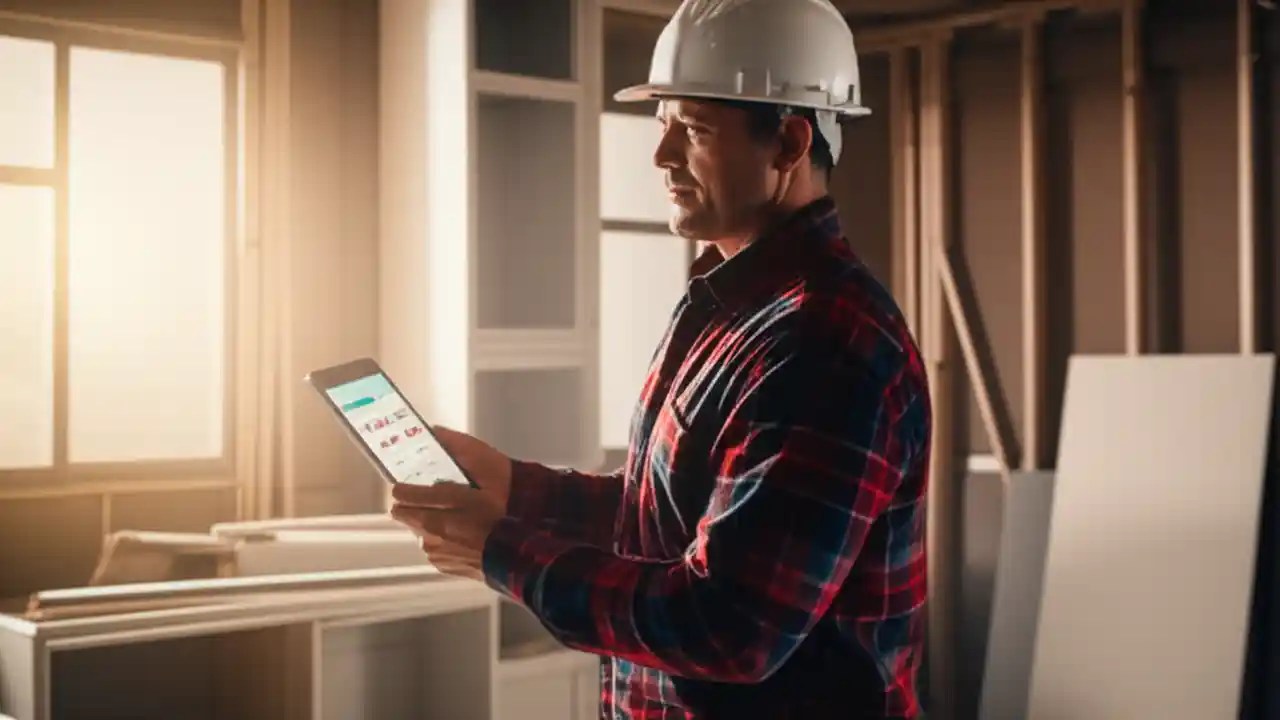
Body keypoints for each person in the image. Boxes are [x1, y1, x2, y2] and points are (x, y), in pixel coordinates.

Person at [389, 0, 932, 717]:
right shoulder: (727, 307)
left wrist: (503, 552)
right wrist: (518, 490)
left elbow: (729, 627)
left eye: (695, 129)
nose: (662, 156)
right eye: (662, 125)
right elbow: (670, 520)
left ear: (791, 143)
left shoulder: (824, 348)